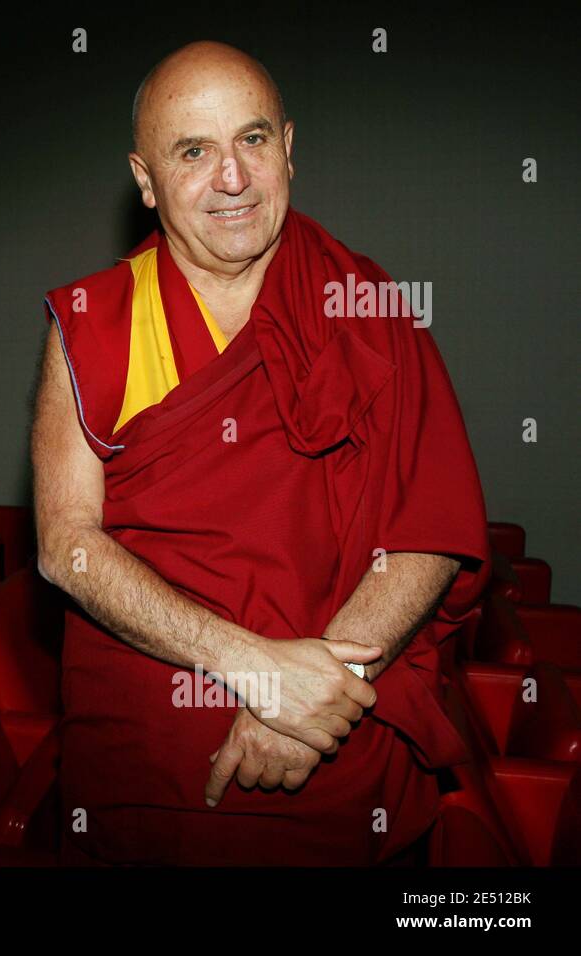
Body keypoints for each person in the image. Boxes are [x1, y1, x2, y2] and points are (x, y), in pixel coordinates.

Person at [31, 40, 489, 865]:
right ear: (145, 179)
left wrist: (318, 699)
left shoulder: (365, 301)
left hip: (343, 734)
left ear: (288, 148)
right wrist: (256, 671)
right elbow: (68, 548)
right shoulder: (94, 322)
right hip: (161, 755)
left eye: (251, 140)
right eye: (194, 151)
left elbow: (432, 526)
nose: (232, 178)